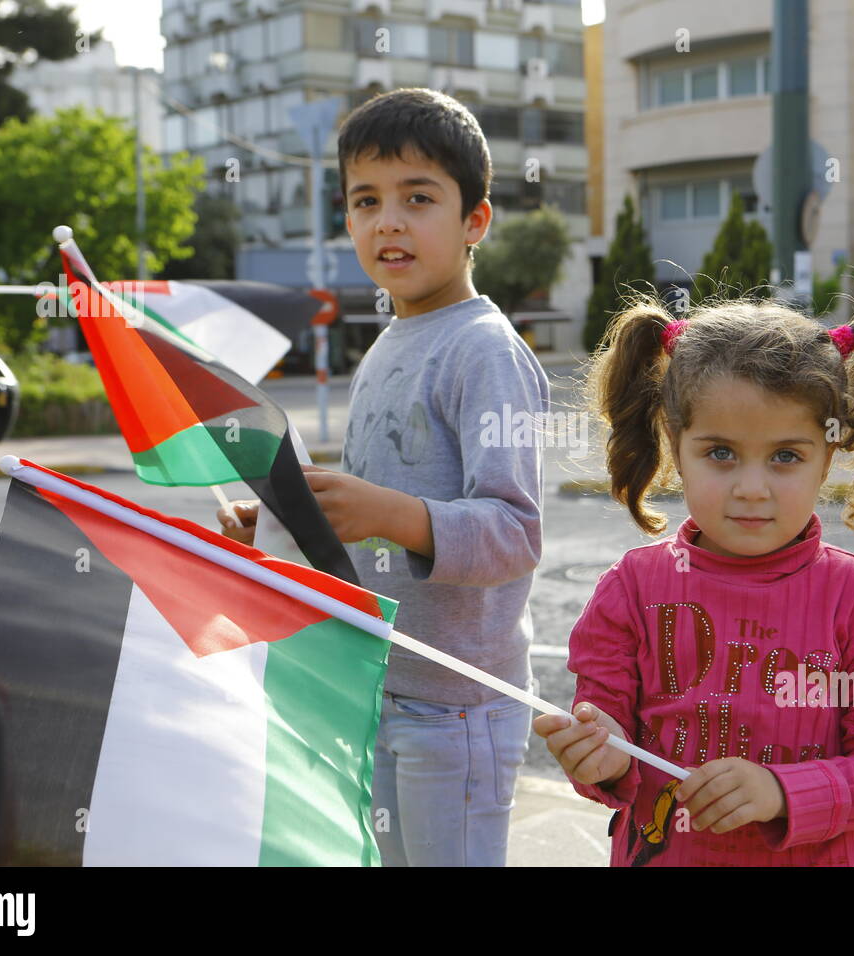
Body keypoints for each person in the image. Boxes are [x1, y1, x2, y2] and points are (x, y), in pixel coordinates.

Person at [218, 88, 549, 867]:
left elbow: (515, 532)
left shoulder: (484, 350)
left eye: (417, 198)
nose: (388, 221)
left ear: (476, 222)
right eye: (366, 201)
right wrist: (286, 521)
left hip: (458, 706)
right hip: (381, 682)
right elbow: (370, 508)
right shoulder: (389, 345)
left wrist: (387, 512)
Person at [534, 295, 854, 866]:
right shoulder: (632, 589)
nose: (752, 487)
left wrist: (783, 792)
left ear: (826, 458)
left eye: (785, 455)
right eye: (721, 453)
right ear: (677, 450)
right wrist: (600, 756)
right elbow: (607, 740)